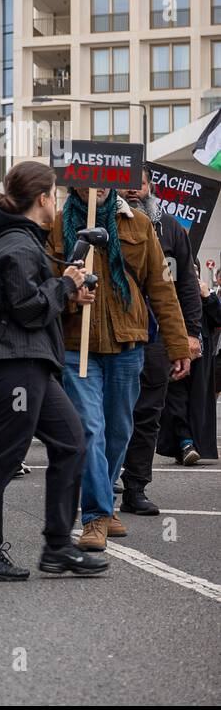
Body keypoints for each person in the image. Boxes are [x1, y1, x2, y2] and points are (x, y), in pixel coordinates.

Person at [0, 162, 107, 579]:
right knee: (2, 458)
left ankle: (58, 547)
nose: (57, 201)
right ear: (42, 198)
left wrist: (67, 293)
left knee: (72, 443)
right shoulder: (18, 247)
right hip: (15, 367)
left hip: (32, 364)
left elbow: (25, 304)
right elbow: (26, 310)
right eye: (55, 194)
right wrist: (64, 286)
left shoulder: (22, 242)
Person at [47, 186, 189, 552]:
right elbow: (45, 282)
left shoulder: (139, 224)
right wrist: (69, 293)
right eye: (86, 180)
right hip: (77, 347)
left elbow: (162, 287)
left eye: (102, 180)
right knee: (91, 428)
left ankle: (106, 503)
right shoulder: (59, 225)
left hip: (128, 344)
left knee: (120, 430)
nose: (95, 186)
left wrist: (178, 344)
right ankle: (95, 516)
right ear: (74, 182)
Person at [119, 169, 202, 517]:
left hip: (154, 337)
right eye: (125, 182)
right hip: (114, 334)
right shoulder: (99, 223)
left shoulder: (171, 229)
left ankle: (136, 486)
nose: (133, 189)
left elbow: (182, 287)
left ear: (150, 185)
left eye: (139, 182)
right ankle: (103, 479)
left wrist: (190, 334)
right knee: (111, 411)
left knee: (148, 413)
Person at [157, 271, 221, 471]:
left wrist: (208, 297)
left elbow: (218, 318)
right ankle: (185, 442)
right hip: (174, 351)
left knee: (197, 402)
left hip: (201, 357)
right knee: (175, 399)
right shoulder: (169, 292)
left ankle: (188, 445)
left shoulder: (204, 293)